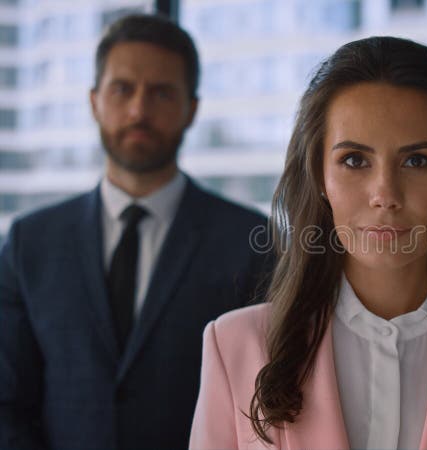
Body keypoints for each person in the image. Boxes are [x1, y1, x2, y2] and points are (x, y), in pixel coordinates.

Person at [189, 36, 427, 449]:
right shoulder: (235, 346)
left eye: (416, 161)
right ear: (320, 176)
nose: (385, 194)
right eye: (354, 161)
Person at [0, 14, 273, 448]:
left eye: (161, 92)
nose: (139, 110)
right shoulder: (29, 244)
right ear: (93, 100)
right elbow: (7, 405)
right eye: (122, 89)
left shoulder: (252, 242)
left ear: (192, 108)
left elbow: (261, 406)